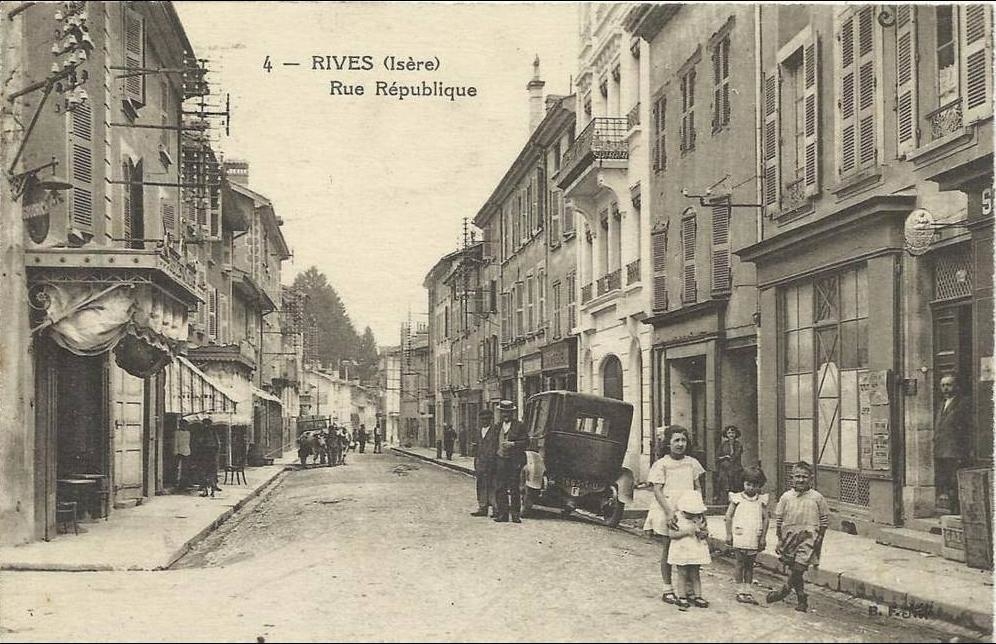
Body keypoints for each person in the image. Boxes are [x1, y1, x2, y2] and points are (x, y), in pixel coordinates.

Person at [644, 425, 706, 605]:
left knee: (689, 548)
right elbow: (657, 490)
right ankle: (667, 588)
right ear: (668, 443)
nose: (680, 444)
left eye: (683, 440)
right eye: (676, 440)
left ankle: (688, 590)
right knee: (669, 549)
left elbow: (697, 487)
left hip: (689, 511)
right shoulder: (662, 464)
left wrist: (700, 510)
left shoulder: (692, 463)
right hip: (667, 509)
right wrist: (669, 512)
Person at [767, 461, 830, 613]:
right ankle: (802, 598)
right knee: (795, 570)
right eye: (798, 477)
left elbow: (824, 521)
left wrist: (820, 539)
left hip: (809, 540)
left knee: (799, 568)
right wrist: (780, 540)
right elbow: (779, 520)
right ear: (792, 478)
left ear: (811, 479)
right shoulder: (786, 497)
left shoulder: (817, 498)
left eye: (804, 477)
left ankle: (784, 591)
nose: (801, 480)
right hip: (790, 539)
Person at [724, 465, 769, 604]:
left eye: (754, 485)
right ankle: (739, 590)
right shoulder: (737, 498)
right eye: (748, 484)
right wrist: (729, 534)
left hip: (754, 535)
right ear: (743, 482)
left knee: (750, 565)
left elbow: (766, 518)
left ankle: (747, 591)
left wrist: (763, 537)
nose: (750, 488)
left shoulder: (761, 501)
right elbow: (728, 516)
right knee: (740, 563)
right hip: (740, 534)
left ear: (759, 485)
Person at [667, 490, 712, 611]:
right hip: (681, 549)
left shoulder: (699, 518)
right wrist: (686, 532)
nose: (691, 515)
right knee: (682, 573)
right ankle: (682, 596)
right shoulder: (676, 517)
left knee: (695, 573)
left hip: (695, 549)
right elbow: (671, 534)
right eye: (688, 512)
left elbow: (705, 532)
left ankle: (697, 595)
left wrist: (702, 533)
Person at [934, 374, 972, 513]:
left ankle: (957, 512)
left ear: (956, 386)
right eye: (943, 385)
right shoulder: (942, 404)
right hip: (942, 451)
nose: (945, 388)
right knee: (945, 483)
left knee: (955, 482)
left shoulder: (964, 403)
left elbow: (967, 427)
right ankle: (950, 510)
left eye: (949, 385)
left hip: (955, 451)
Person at [492, 400, 528, 523]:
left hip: (514, 460)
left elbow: (526, 442)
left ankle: (515, 515)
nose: (505, 415)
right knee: (500, 487)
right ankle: (503, 515)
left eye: (508, 412)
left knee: (514, 488)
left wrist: (513, 444)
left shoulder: (520, 425)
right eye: (503, 412)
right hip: (500, 459)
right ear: (500, 413)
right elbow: (493, 444)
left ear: (512, 413)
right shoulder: (497, 427)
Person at [470, 408, 499, 518]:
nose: (484, 421)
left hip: (492, 462)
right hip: (480, 463)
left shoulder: (495, 431)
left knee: (493, 485)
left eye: (487, 419)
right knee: (481, 485)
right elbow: (475, 446)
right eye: (482, 419)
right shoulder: (478, 431)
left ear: (491, 420)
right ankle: (483, 507)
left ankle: (496, 509)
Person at [715, 425, 744, 503]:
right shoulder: (723, 444)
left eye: (733, 433)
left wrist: (729, 457)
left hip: (736, 468)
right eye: (729, 433)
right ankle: (724, 500)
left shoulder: (738, 445)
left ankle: (735, 501)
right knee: (724, 482)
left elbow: (735, 456)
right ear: (726, 434)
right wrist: (724, 457)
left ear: (736, 434)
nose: (731, 435)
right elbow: (717, 457)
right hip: (725, 468)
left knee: (736, 484)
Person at [199, 419, 221, 498]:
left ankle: (205, 491)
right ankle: (212, 490)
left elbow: (200, 442)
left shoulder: (203, 431)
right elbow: (218, 444)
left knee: (204, 472)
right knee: (212, 472)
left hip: (205, 454)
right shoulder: (214, 432)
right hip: (213, 454)